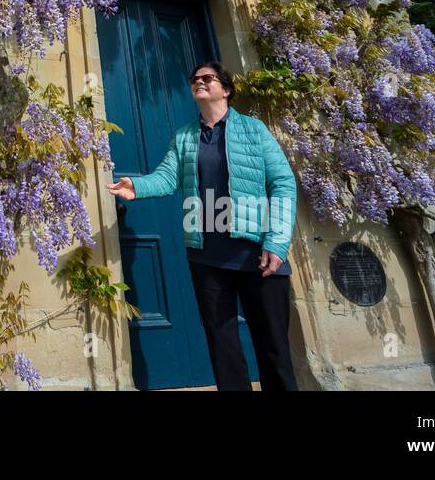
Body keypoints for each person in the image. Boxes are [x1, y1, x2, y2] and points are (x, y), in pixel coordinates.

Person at [107, 60, 299, 391]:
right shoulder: (184, 137)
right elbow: (167, 178)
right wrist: (136, 187)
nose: (199, 82)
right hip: (207, 255)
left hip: (258, 254)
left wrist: (277, 242)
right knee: (222, 346)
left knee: (274, 350)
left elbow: (283, 182)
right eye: (194, 78)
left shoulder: (254, 130)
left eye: (207, 78)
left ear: (225, 89)